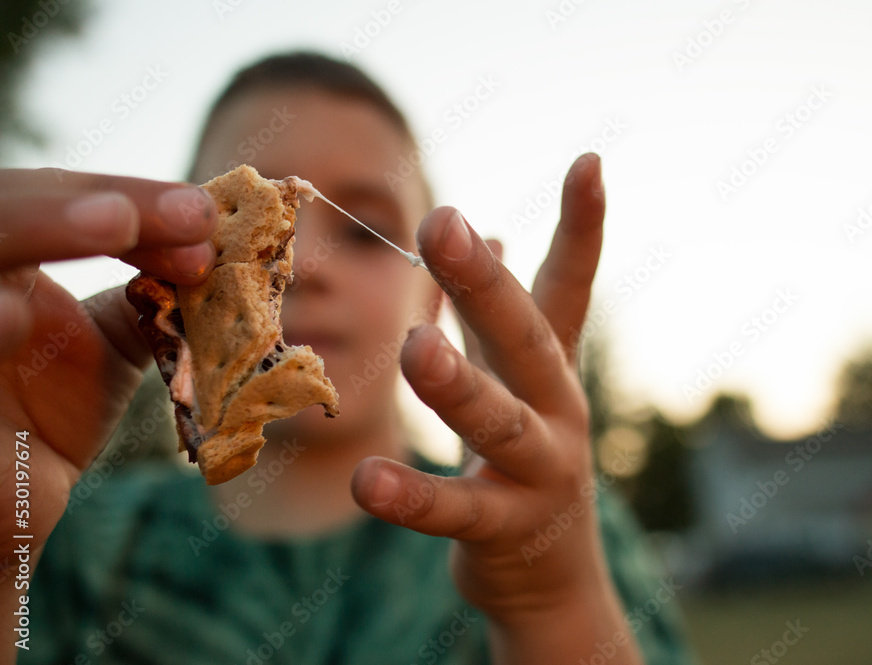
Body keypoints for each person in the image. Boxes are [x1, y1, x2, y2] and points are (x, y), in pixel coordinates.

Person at [1, 52, 694, 664]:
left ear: (432, 297)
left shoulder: (546, 525)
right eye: (250, 235)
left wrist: (553, 606)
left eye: (368, 233)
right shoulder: (65, 538)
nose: (306, 268)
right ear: (172, 280)